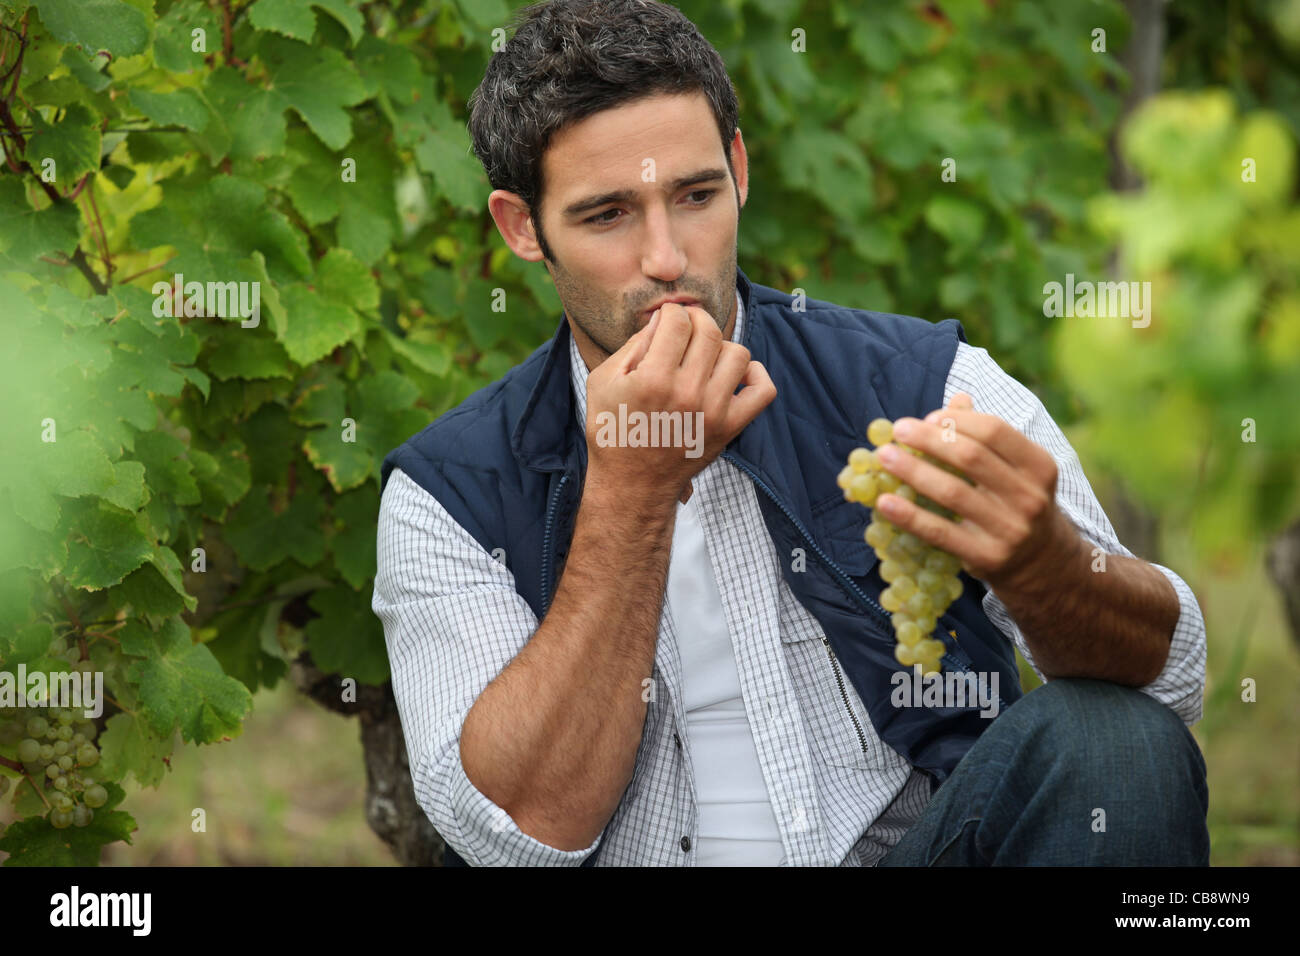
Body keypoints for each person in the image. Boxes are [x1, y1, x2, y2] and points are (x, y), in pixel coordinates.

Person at [371, 0, 1209, 866]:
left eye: (695, 196)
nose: (667, 258)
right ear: (522, 228)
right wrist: (630, 492)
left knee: (1116, 738)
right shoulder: (446, 493)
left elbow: (1173, 679)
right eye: (607, 215)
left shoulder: (923, 384)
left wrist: (1050, 569)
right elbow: (518, 837)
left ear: (738, 170)